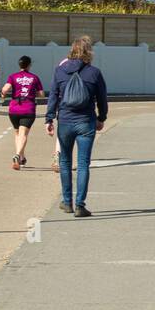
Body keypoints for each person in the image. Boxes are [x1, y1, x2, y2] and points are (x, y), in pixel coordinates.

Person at [45, 37, 107, 217]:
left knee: (64, 161)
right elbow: (102, 98)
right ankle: (80, 204)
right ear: (89, 52)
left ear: (71, 51)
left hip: (65, 121)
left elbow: (53, 97)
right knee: (83, 164)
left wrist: (49, 119)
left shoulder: (60, 71)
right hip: (86, 122)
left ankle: (67, 202)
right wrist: (101, 118)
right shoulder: (94, 73)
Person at [2, 56, 44, 170]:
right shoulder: (34, 78)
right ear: (29, 65)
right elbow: (41, 94)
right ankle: (17, 155)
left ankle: (21, 157)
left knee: (17, 133)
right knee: (23, 134)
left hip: (14, 109)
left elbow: (5, 89)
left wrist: (3, 94)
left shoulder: (13, 77)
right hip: (28, 108)